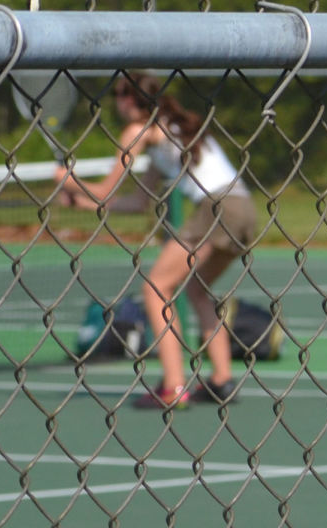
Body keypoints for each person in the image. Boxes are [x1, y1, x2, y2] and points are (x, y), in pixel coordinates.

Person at [55, 71, 259, 410]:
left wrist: (64, 177)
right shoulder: (173, 130)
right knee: (196, 289)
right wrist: (83, 202)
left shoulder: (139, 130)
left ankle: (174, 386)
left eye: (119, 94)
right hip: (244, 208)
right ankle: (222, 380)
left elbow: (107, 188)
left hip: (215, 206)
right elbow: (136, 203)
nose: (116, 103)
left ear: (130, 99)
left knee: (156, 288)